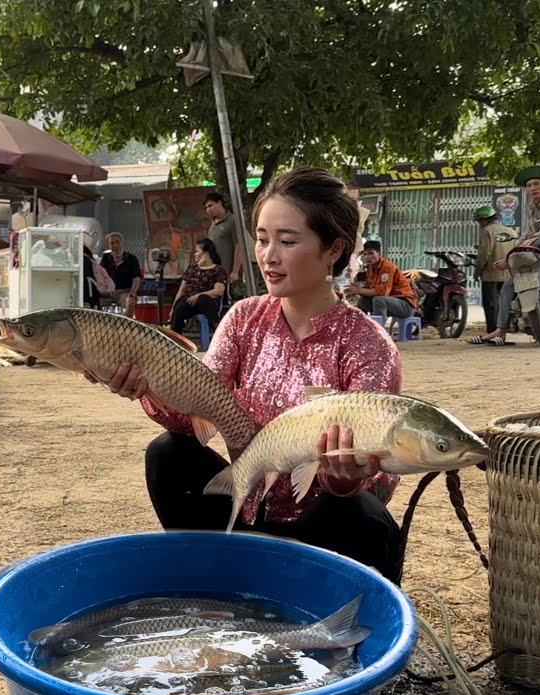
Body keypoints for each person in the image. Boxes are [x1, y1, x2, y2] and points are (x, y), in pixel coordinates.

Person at [93, 166, 404, 582]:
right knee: (168, 453)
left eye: (287, 241)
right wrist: (146, 387)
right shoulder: (244, 319)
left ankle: (324, 611)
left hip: (322, 533)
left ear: (333, 249)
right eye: (261, 239)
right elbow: (192, 417)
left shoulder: (368, 345)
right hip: (244, 513)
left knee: (356, 512)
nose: (269, 255)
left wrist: (346, 476)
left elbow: (378, 474)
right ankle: (220, 579)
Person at [469, 165, 540, 346]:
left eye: (536, 184)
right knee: (507, 286)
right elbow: (527, 233)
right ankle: (500, 331)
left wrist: (526, 246)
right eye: (529, 185)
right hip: (538, 255)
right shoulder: (532, 207)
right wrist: (510, 256)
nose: (532, 188)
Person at [345, 240, 417, 326]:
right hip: (389, 302)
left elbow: (383, 292)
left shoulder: (387, 267)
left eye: (371, 253)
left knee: (378, 300)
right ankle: (359, 329)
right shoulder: (370, 268)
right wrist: (354, 291)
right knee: (362, 301)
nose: (367, 257)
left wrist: (358, 290)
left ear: (379, 253)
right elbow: (368, 289)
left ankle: (379, 332)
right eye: (365, 254)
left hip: (405, 305)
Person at [471, 205, 519, 335]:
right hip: (509, 275)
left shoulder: (487, 231)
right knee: (506, 304)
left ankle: (492, 332)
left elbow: (484, 254)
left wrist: (478, 271)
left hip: (491, 275)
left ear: (484, 220)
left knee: (491, 305)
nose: (479, 224)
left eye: (479, 221)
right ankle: (504, 331)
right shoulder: (512, 231)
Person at [168, 238, 228, 335]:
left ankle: (219, 331)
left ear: (206, 254)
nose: (195, 254)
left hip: (207, 302)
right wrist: (173, 308)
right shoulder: (193, 269)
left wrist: (198, 296)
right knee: (180, 305)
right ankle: (175, 338)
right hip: (189, 303)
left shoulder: (218, 270)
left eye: (197, 251)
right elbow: (182, 290)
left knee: (202, 299)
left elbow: (219, 290)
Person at [203, 192, 248, 287]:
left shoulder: (232, 221)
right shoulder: (212, 226)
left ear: (219, 203)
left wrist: (235, 271)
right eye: (206, 208)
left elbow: (239, 247)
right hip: (218, 273)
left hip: (232, 274)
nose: (208, 210)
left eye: (210, 205)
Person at [100, 232, 143, 316]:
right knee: (93, 301)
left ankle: (126, 324)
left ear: (123, 244)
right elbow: (100, 276)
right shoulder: (105, 258)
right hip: (108, 293)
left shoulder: (132, 259)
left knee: (130, 301)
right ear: (109, 246)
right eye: (112, 243)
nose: (115, 246)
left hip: (124, 292)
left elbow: (136, 279)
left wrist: (133, 292)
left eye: (118, 242)